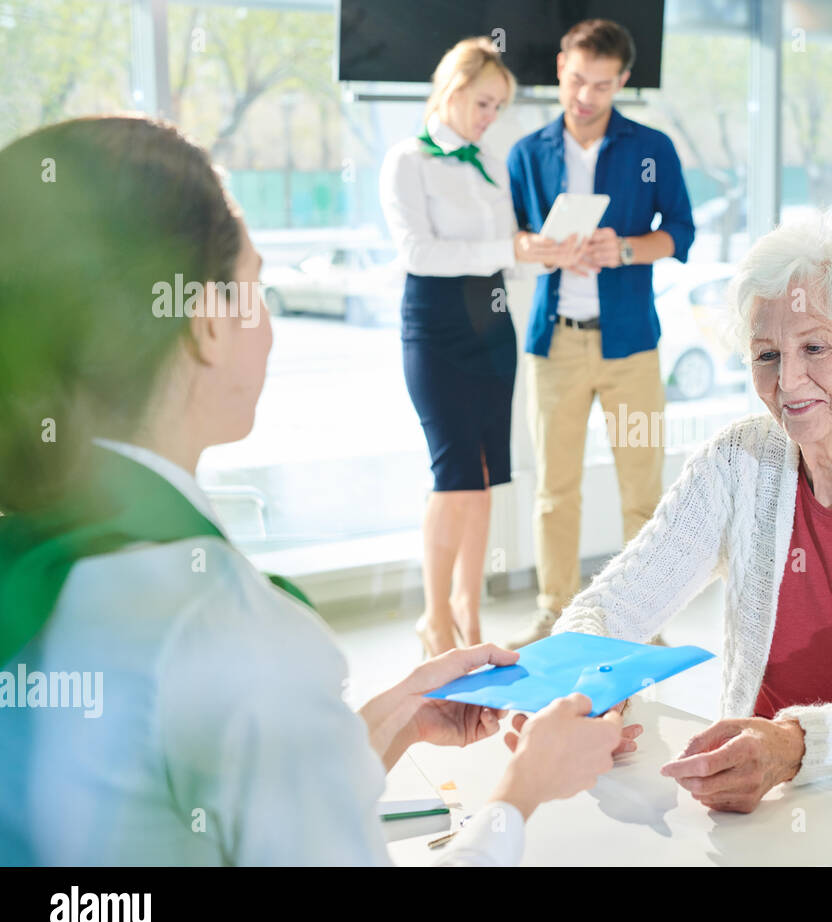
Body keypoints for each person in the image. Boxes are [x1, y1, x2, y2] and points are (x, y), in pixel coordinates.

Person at [0, 115, 638, 866]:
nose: (267, 322)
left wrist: (396, 716)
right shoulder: (230, 628)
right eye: (255, 285)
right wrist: (522, 793)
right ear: (206, 320)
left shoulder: (42, 559)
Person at [551, 213, 832, 811]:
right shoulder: (738, 460)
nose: (787, 380)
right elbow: (604, 608)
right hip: (761, 799)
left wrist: (794, 745)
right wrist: (587, 687)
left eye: (814, 347)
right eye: (766, 354)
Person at [379, 38, 576, 657]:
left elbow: (509, 263)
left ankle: (468, 607)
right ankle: (434, 616)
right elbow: (419, 253)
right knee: (454, 474)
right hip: (436, 327)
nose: (491, 117)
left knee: (485, 475)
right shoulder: (406, 159)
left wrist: (543, 254)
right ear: (454, 90)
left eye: (499, 107)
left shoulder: (490, 163)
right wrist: (510, 249)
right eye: (485, 103)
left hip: (492, 328)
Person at [505, 19, 695, 647]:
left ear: (623, 83)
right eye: (578, 79)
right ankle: (556, 610)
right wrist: (540, 248)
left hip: (631, 344)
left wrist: (626, 249)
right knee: (555, 489)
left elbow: (682, 233)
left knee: (642, 488)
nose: (585, 96)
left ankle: (641, 615)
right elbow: (509, 240)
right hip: (554, 343)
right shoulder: (527, 154)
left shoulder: (651, 149)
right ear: (561, 66)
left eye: (602, 85)